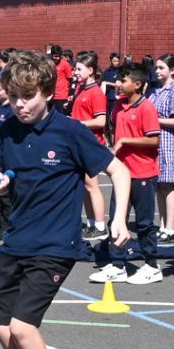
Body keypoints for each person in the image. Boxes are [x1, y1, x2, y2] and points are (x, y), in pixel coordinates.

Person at [0, 50, 130, 349]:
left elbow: (120, 171)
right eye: (13, 96)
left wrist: (118, 220)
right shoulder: (7, 130)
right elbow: (3, 175)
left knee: (24, 327)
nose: (20, 104)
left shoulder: (71, 132)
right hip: (17, 239)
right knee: (3, 329)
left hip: (55, 244)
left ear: (47, 92)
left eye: (27, 96)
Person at [89, 64, 163, 285]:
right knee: (116, 219)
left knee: (144, 223)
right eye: (119, 80)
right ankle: (118, 264)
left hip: (143, 174)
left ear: (137, 85)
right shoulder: (119, 106)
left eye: (123, 81)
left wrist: (124, 141)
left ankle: (151, 265)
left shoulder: (146, 107)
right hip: (123, 175)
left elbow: (154, 140)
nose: (118, 84)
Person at [69, 52, 110, 239]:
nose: (75, 72)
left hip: (91, 144)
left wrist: (77, 123)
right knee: (85, 186)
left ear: (91, 70)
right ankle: (91, 222)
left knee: (92, 186)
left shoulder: (96, 93)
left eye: (79, 69)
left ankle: (100, 226)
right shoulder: (81, 90)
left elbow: (101, 121)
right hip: (79, 143)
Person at [149, 54, 174, 242]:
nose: (157, 71)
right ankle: (163, 225)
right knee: (159, 185)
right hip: (156, 142)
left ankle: (170, 228)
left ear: (172, 70)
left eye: (161, 68)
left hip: (169, 142)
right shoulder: (155, 90)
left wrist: (155, 120)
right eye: (156, 67)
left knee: (168, 184)